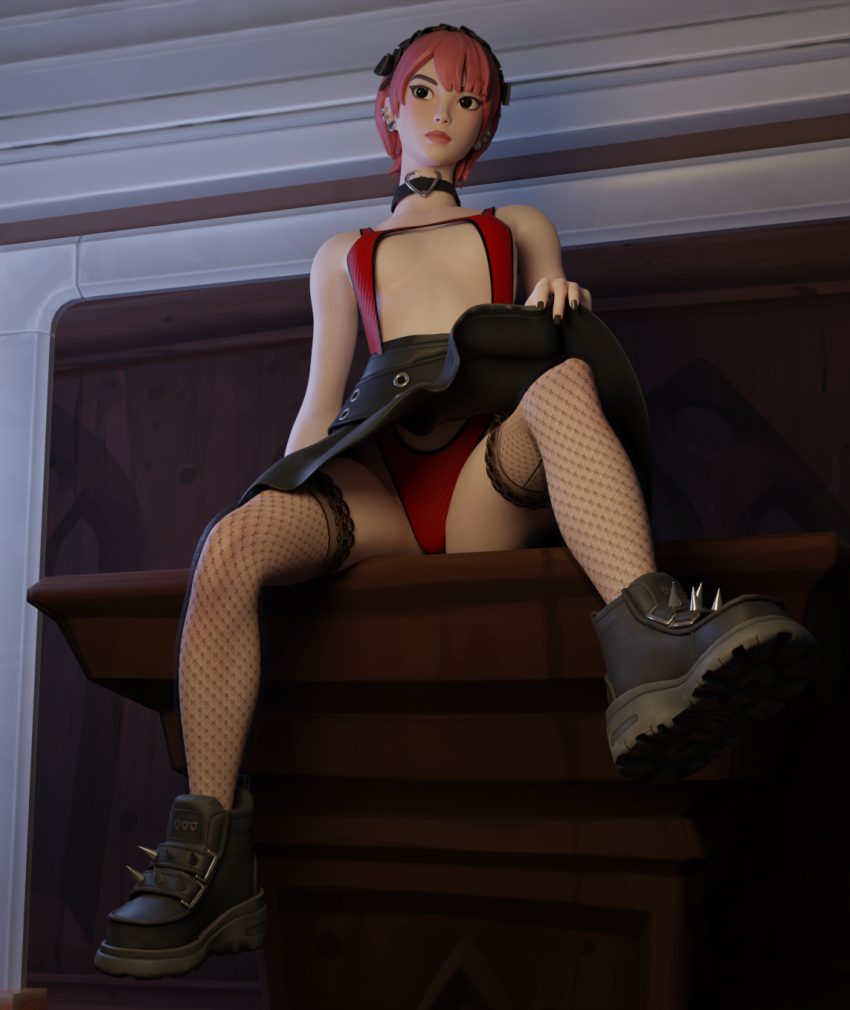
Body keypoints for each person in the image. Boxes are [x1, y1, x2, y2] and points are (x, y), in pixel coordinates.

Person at [94, 24, 818, 979]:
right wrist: (274, 504)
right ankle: (213, 859)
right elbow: (317, 404)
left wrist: (561, 299)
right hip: (376, 480)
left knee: (562, 383)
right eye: (426, 91)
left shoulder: (517, 225)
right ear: (388, 108)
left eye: (468, 100)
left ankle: (650, 644)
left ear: (487, 125)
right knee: (228, 541)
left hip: (487, 472)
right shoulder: (342, 252)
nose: (445, 112)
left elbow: (557, 323)